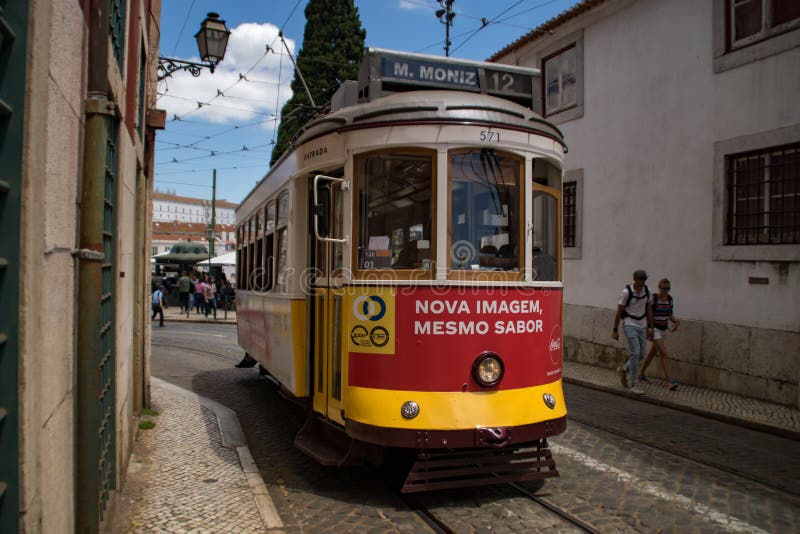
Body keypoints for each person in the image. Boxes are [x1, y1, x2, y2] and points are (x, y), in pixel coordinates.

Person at [611, 269, 653, 395]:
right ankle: (634, 383)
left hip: (642, 325)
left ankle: (623, 370)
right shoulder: (626, 292)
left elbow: (649, 309)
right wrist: (615, 330)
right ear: (635, 279)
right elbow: (619, 311)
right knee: (635, 352)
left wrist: (650, 327)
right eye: (640, 279)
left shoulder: (647, 291)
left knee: (641, 354)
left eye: (644, 279)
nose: (642, 282)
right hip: (629, 324)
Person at [639, 278, 681, 390]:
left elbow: (669, 314)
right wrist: (649, 329)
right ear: (659, 288)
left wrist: (676, 322)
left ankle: (640, 374)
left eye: (668, 289)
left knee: (652, 353)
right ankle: (670, 381)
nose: (666, 291)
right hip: (654, 329)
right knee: (664, 353)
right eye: (664, 289)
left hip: (663, 330)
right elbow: (647, 313)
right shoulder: (654, 298)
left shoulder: (670, 299)